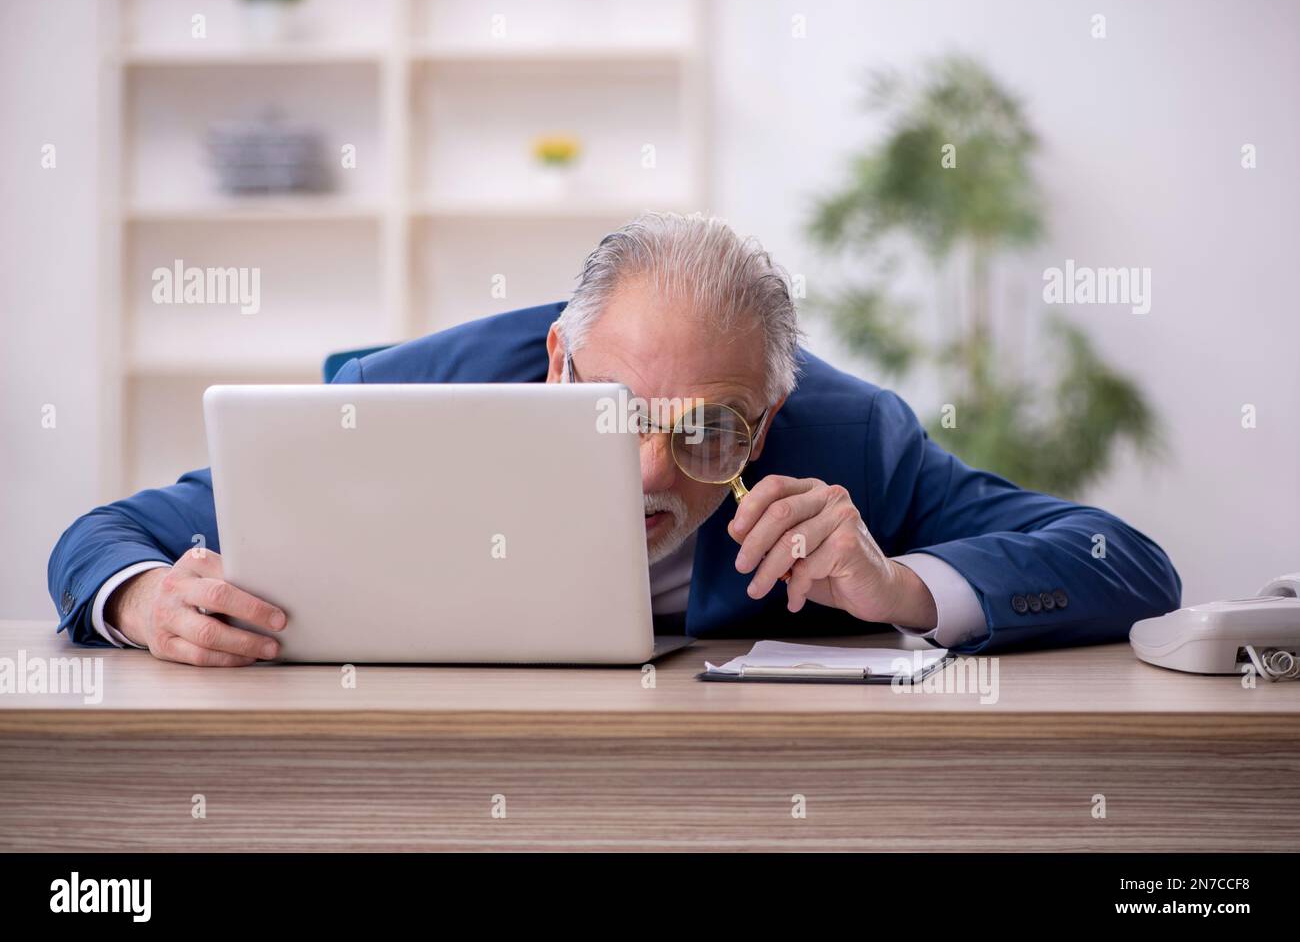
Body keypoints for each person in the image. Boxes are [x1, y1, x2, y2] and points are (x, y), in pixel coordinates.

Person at [48, 212, 1180, 665]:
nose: (651, 468)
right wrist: (145, 600)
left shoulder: (854, 442)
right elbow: (111, 533)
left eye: (709, 432)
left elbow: (1123, 564)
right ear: (555, 363)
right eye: (618, 411)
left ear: (768, 420)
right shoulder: (414, 395)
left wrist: (899, 589)